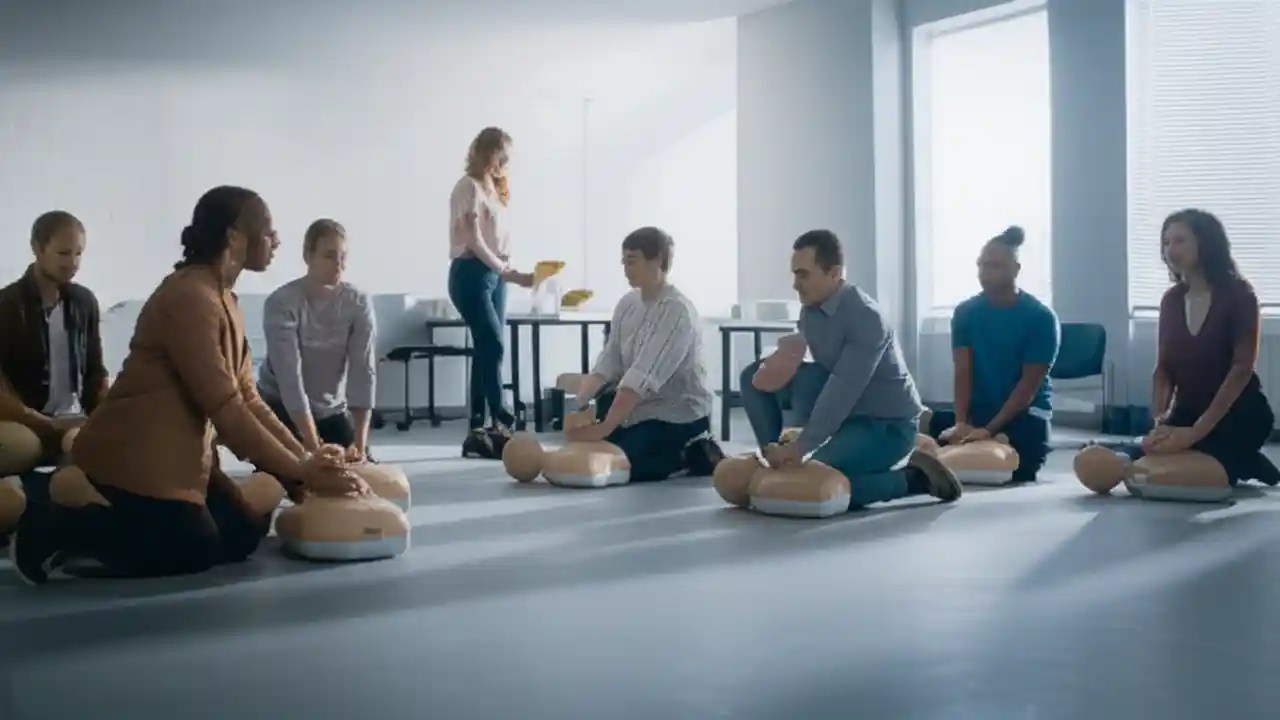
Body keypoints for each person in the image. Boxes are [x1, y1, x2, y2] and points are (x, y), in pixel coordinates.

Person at [7, 186, 367, 585]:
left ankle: (111, 511)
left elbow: (250, 397)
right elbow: (226, 407)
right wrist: (302, 472)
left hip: (181, 460)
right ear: (233, 237)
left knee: (241, 535)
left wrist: (309, 459)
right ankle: (49, 524)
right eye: (267, 230)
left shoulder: (224, 297)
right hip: (132, 455)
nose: (276, 239)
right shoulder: (189, 297)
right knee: (191, 547)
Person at [739, 230, 962, 510]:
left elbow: (841, 389)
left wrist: (801, 448)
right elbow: (816, 377)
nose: (795, 284)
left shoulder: (867, 317)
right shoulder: (809, 312)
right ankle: (773, 457)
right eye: (794, 274)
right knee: (752, 377)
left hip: (887, 425)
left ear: (833, 273)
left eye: (803, 274)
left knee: (821, 483)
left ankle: (915, 479)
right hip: (849, 417)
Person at [1124, 209, 1278, 485]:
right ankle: (1235, 460)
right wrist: (1159, 424)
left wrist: (1196, 432)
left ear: (1205, 242)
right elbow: (1164, 370)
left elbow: (1241, 369)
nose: (1171, 249)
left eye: (1180, 240)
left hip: (1237, 415)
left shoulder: (1239, 294)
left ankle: (1242, 460)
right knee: (1117, 460)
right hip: (1187, 412)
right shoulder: (1171, 300)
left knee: (1175, 471)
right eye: (1167, 242)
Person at [568, 227, 724, 481]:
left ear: (658, 260)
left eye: (633, 261)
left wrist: (605, 427)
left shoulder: (676, 311)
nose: (627, 270)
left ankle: (692, 453)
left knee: (627, 462)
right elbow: (610, 362)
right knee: (597, 443)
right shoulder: (627, 304)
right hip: (638, 410)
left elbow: (640, 378)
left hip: (678, 414)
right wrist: (579, 406)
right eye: (624, 262)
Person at [925, 226, 1060, 483]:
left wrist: (988, 430)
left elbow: (1027, 389)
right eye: (982, 265)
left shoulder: (1040, 318)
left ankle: (981, 447)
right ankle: (966, 449)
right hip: (980, 411)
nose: (986, 273)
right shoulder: (966, 313)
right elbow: (963, 373)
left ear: (1015, 270)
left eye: (995, 266)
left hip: (1023, 415)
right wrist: (962, 423)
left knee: (1022, 465)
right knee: (932, 425)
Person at [0, 211, 109, 476]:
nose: (73, 263)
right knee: (17, 447)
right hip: (25, 422)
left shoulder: (85, 303)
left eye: (78, 253)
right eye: (63, 253)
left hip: (75, 419)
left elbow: (96, 370)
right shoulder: (8, 305)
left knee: (102, 442)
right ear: (38, 248)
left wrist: (108, 411)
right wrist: (44, 423)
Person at [258, 219, 376, 461]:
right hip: (279, 405)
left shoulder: (359, 303)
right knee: (294, 475)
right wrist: (313, 447)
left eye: (343, 256)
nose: (339, 265)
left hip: (328, 408)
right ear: (308, 256)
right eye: (329, 256)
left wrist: (360, 445)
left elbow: (363, 372)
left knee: (359, 472)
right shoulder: (282, 303)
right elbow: (290, 377)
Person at [447, 127, 534, 456]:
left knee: (486, 349)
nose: (505, 162)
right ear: (487, 152)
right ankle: (502, 417)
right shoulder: (467, 186)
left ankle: (478, 431)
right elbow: (472, 238)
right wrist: (506, 271)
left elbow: (497, 242)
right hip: (470, 273)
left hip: (495, 276)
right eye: (502, 155)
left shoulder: (495, 191)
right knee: (493, 344)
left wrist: (511, 275)